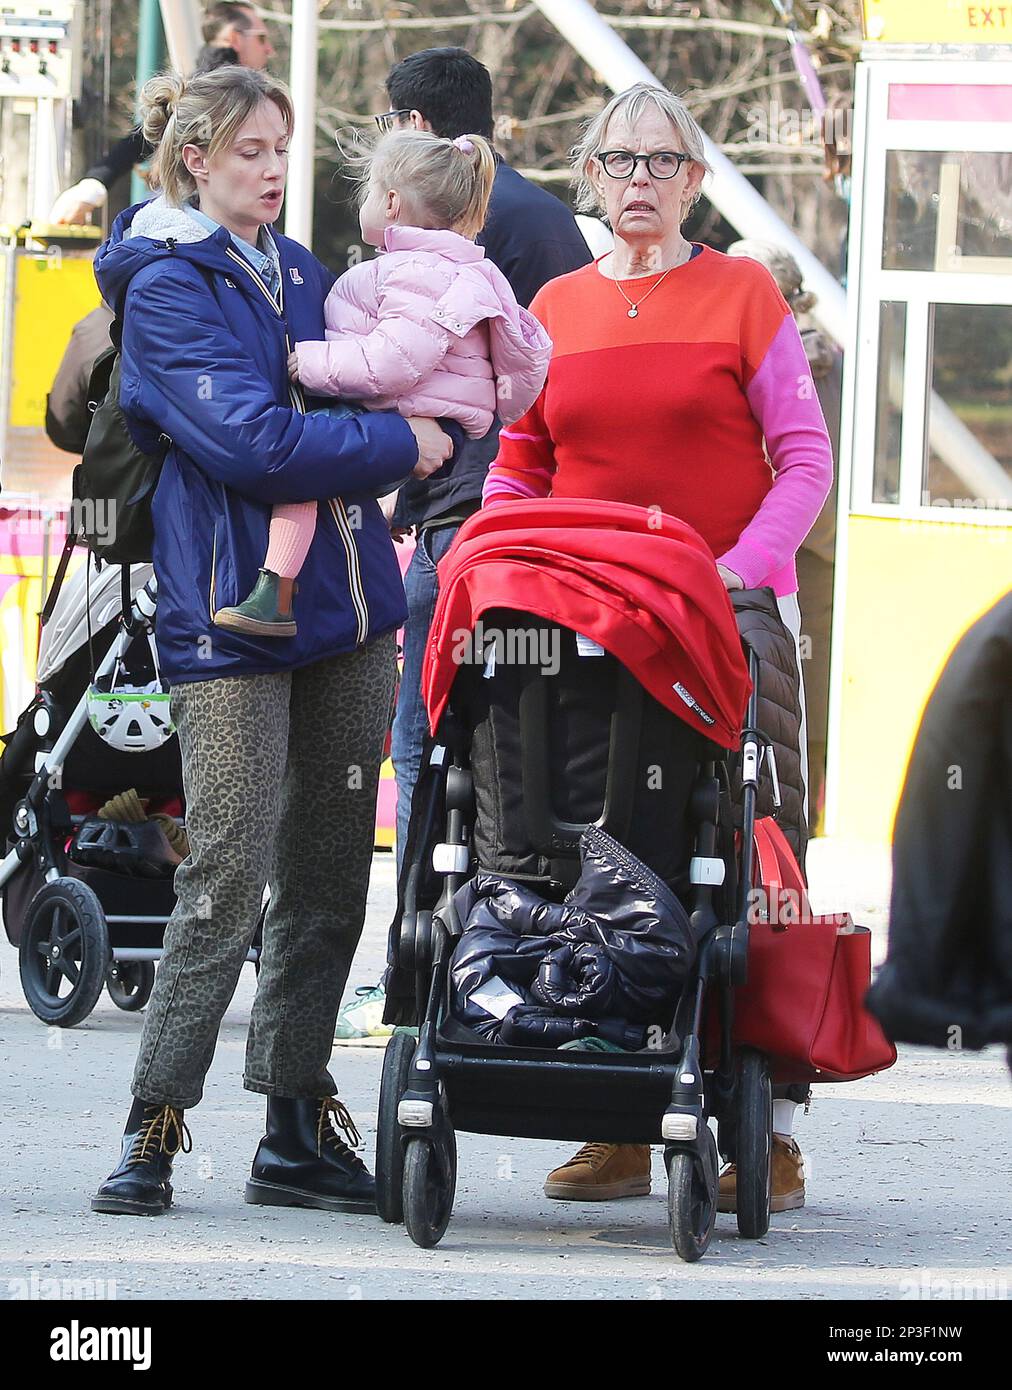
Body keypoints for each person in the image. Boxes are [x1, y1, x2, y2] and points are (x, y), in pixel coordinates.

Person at [88, 64, 452, 1218]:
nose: (273, 171)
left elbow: (362, 376)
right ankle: (156, 1119)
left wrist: (394, 411)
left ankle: (292, 1118)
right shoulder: (163, 283)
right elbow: (250, 445)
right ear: (194, 157)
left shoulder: (297, 268)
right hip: (228, 613)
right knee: (228, 867)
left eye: (283, 151)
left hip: (351, 608)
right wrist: (403, 442)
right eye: (252, 150)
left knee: (332, 870)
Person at [482, 82, 833, 1210]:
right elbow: (520, 458)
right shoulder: (558, 304)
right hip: (588, 618)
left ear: (695, 181)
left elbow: (802, 460)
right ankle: (618, 1116)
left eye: (663, 163)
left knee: (755, 853)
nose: (641, 182)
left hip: (727, 614)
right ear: (591, 176)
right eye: (620, 162)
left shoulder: (740, 293)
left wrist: (736, 569)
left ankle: (769, 1132)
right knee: (591, 837)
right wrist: (495, 539)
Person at [379, 47, 593, 879]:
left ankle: (414, 959)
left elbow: (400, 367)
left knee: (425, 735)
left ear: (415, 128)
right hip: (533, 513)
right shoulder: (543, 216)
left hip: (466, 515)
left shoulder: (454, 232)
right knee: (508, 742)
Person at [214, 129, 551, 637]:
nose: (364, 203)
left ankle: (275, 590)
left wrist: (307, 362)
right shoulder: (459, 267)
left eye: (368, 191)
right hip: (422, 418)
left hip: (402, 409)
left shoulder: (415, 271)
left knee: (305, 461)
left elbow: (392, 360)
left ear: (391, 203)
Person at [726, 239, 843, 833]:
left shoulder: (801, 358)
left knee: (791, 699)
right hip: (783, 547)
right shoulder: (831, 357)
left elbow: (806, 460)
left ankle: (796, 825)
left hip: (793, 553)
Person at [50, 3, 274, 226]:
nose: (269, 49)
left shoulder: (201, 88)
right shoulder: (227, 95)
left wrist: (95, 182)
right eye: (261, 38)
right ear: (235, 38)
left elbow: (145, 136)